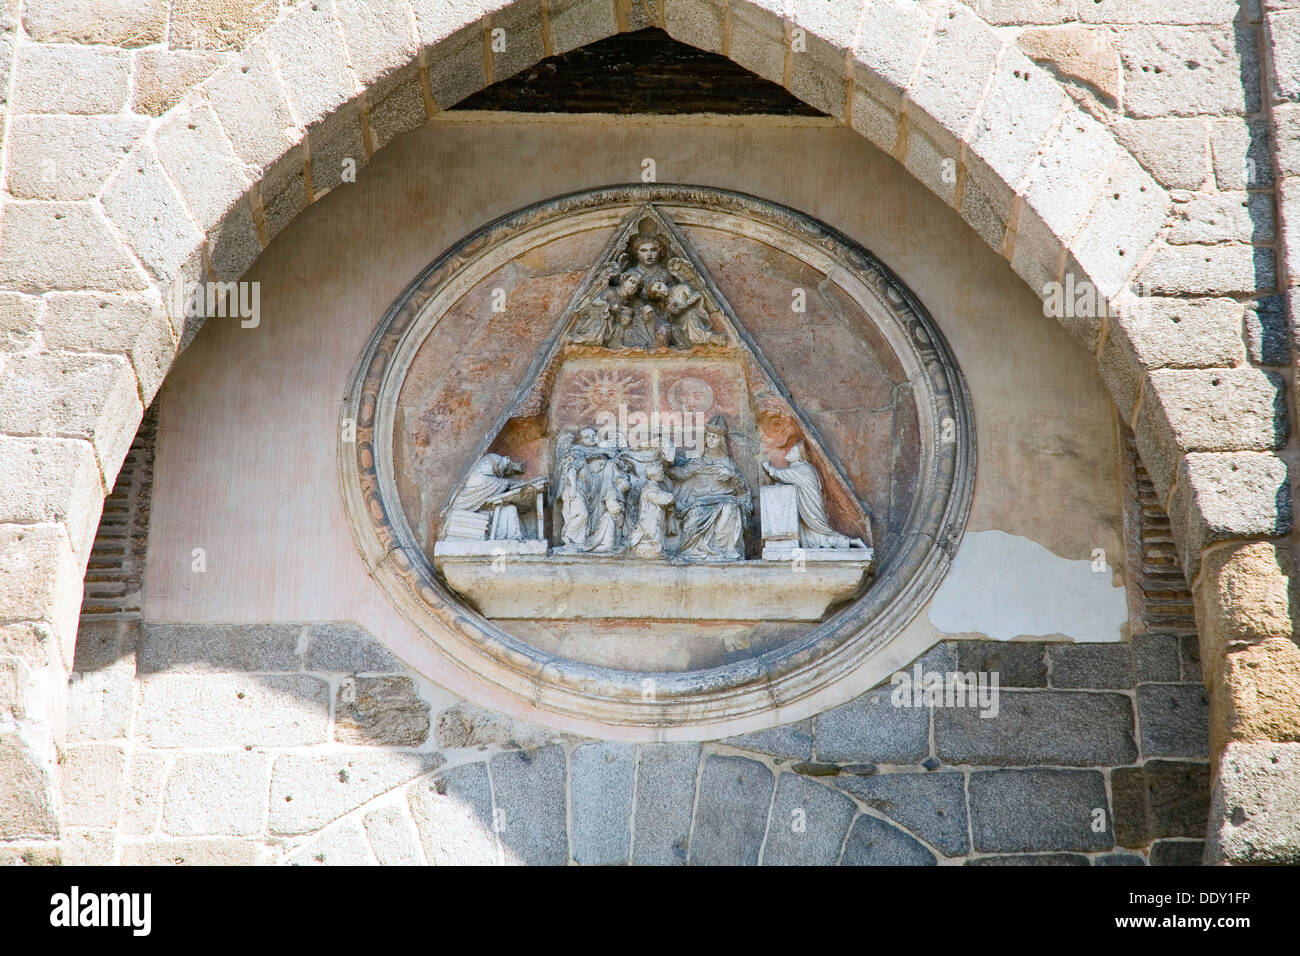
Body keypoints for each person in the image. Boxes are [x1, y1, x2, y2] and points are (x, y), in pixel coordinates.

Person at [668, 415, 750, 561]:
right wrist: (665, 466)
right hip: (699, 503)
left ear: (722, 441)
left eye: (715, 437)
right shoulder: (698, 461)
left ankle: (724, 551)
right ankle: (694, 551)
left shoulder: (727, 464)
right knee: (695, 515)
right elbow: (680, 474)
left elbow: (742, 490)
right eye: (709, 436)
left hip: (723, 500)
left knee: (730, 508)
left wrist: (731, 476)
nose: (711, 440)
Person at [762, 441, 866, 549]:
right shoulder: (801, 469)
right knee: (815, 538)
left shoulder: (803, 469)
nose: (789, 452)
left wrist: (768, 467)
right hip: (806, 513)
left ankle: (853, 542)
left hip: (811, 511)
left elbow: (780, 474)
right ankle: (852, 542)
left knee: (821, 536)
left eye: (793, 451)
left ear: (800, 456)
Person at [448, 453, 527, 540]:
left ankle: (515, 538)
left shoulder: (489, 476)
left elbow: (504, 463)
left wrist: (515, 466)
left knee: (510, 509)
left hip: (485, 511)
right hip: (472, 512)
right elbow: (502, 481)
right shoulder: (479, 478)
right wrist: (518, 482)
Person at [627, 460, 675, 558]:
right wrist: (671, 497)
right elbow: (663, 499)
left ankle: (657, 551)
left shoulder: (654, 488)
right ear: (654, 475)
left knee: (657, 533)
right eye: (661, 472)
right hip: (649, 521)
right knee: (652, 535)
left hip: (654, 519)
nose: (663, 475)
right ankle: (649, 552)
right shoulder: (649, 489)